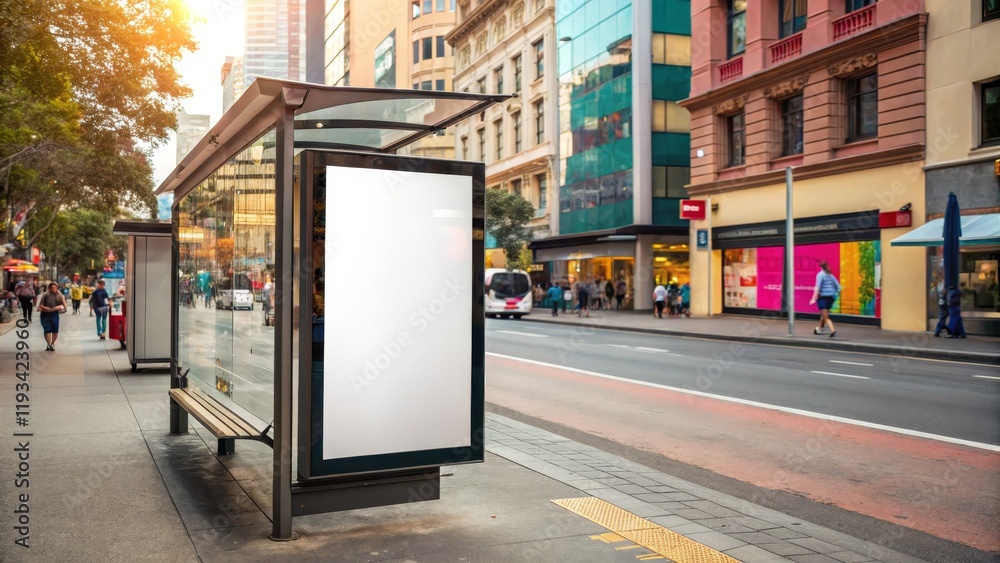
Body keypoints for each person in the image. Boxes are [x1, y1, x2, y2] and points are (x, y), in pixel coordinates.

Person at [809, 260, 841, 338]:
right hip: (831, 298)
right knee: (824, 313)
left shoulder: (820, 275)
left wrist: (814, 298)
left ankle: (832, 330)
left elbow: (818, 287)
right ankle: (819, 328)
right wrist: (835, 294)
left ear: (820, 267)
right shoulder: (830, 275)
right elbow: (839, 287)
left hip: (822, 298)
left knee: (826, 316)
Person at [37, 282, 67, 351]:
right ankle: (49, 344)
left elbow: (64, 306)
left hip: (54, 314)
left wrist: (60, 308)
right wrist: (45, 308)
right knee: (47, 330)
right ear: (49, 288)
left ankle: (52, 343)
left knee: (55, 331)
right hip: (45, 314)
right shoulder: (45, 295)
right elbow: (40, 305)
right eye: (52, 288)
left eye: (55, 288)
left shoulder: (59, 295)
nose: (54, 289)